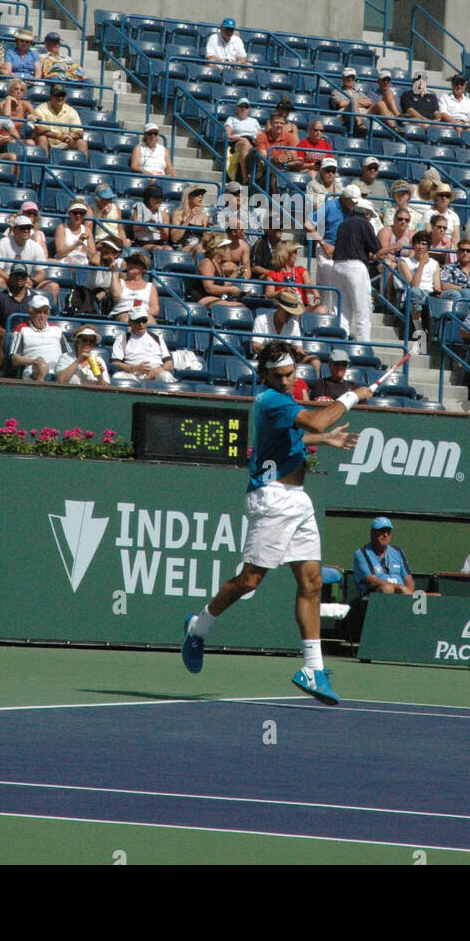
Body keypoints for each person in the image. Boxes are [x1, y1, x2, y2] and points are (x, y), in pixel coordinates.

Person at [181, 338, 371, 705]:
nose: (287, 381)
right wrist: (353, 396)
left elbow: (300, 432)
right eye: (280, 376)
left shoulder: (281, 400)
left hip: (298, 499)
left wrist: (324, 440)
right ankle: (198, 626)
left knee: (311, 583)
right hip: (270, 500)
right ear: (265, 374)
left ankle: (313, 669)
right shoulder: (271, 399)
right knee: (250, 580)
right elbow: (315, 416)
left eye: (291, 374)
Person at [331, 186, 378, 341]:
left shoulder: (344, 224)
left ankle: (340, 341)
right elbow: (376, 249)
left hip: (337, 266)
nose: (371, 219)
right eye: (370, 216)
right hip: (355, 267)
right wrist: (394, 247)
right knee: (362, 311)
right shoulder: (365, 224)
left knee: (342, 310)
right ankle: (363, 347)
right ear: (366, 213)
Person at [9, 292, 67, 380]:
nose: (42, 316)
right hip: (34, 369)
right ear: (30, 313)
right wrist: (33, 361)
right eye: (38, 312)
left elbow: (67, 355)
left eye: (45, 312)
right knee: (43, 366)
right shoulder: (22, 329)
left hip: (58, 370)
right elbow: (15, 358)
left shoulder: (57, 330)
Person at [0, 263, 31, 373]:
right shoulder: (0, 298)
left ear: (27, 279)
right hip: (8, 334)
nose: (19, 278)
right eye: (16, 276)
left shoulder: (35, 298)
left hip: (29, 334)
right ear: (10, 277)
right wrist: (7, 333)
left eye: (22, 276)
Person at [111, 308, 175, 387]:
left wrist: (158, 370)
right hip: (133, 375)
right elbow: (115, 363)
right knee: (118, 376)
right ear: (130, 322)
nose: (141, 324)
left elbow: (169, 363)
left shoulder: (157, 338)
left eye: (144, 320)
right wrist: (134, 369)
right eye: (137, 321)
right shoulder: (122, 338)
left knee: (166, 376)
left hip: (157, 373)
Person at [353, 517, 414, 598]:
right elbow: (372, 581)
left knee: (434, 596)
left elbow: (408, 579)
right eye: (382, 531)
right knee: (387, 588)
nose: (385, 535)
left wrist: (409, 594)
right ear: (372, 533)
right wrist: (399, 587)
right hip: (373, 597)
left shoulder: (398, 551)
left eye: (388, 531)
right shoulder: (362, 553)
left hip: (402, 595)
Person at [32, 82, 87, 157]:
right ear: (51, 96)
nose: (60, 98)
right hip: (48, 142)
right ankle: (43, 164)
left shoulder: (72, 111)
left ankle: (82, 167)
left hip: (66, 143)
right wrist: (58, 136)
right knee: (42, 138)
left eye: (62, 95)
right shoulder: (41, 109)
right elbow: (38, 129)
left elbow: (80, 132)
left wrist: (71, 135)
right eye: (57, 95)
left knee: (82, 143)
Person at [108, 248, 160, 321]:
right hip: (123, 313)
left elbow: (155, 309)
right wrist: (114, 272)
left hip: (143, 314)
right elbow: (115, 295)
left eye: (135, 263)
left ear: (144, 268)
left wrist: (138, 313)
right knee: (126, 318)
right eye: (129, 262)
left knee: (149, 320)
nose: (130, 264)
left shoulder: (150, 287)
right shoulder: (121, 282)